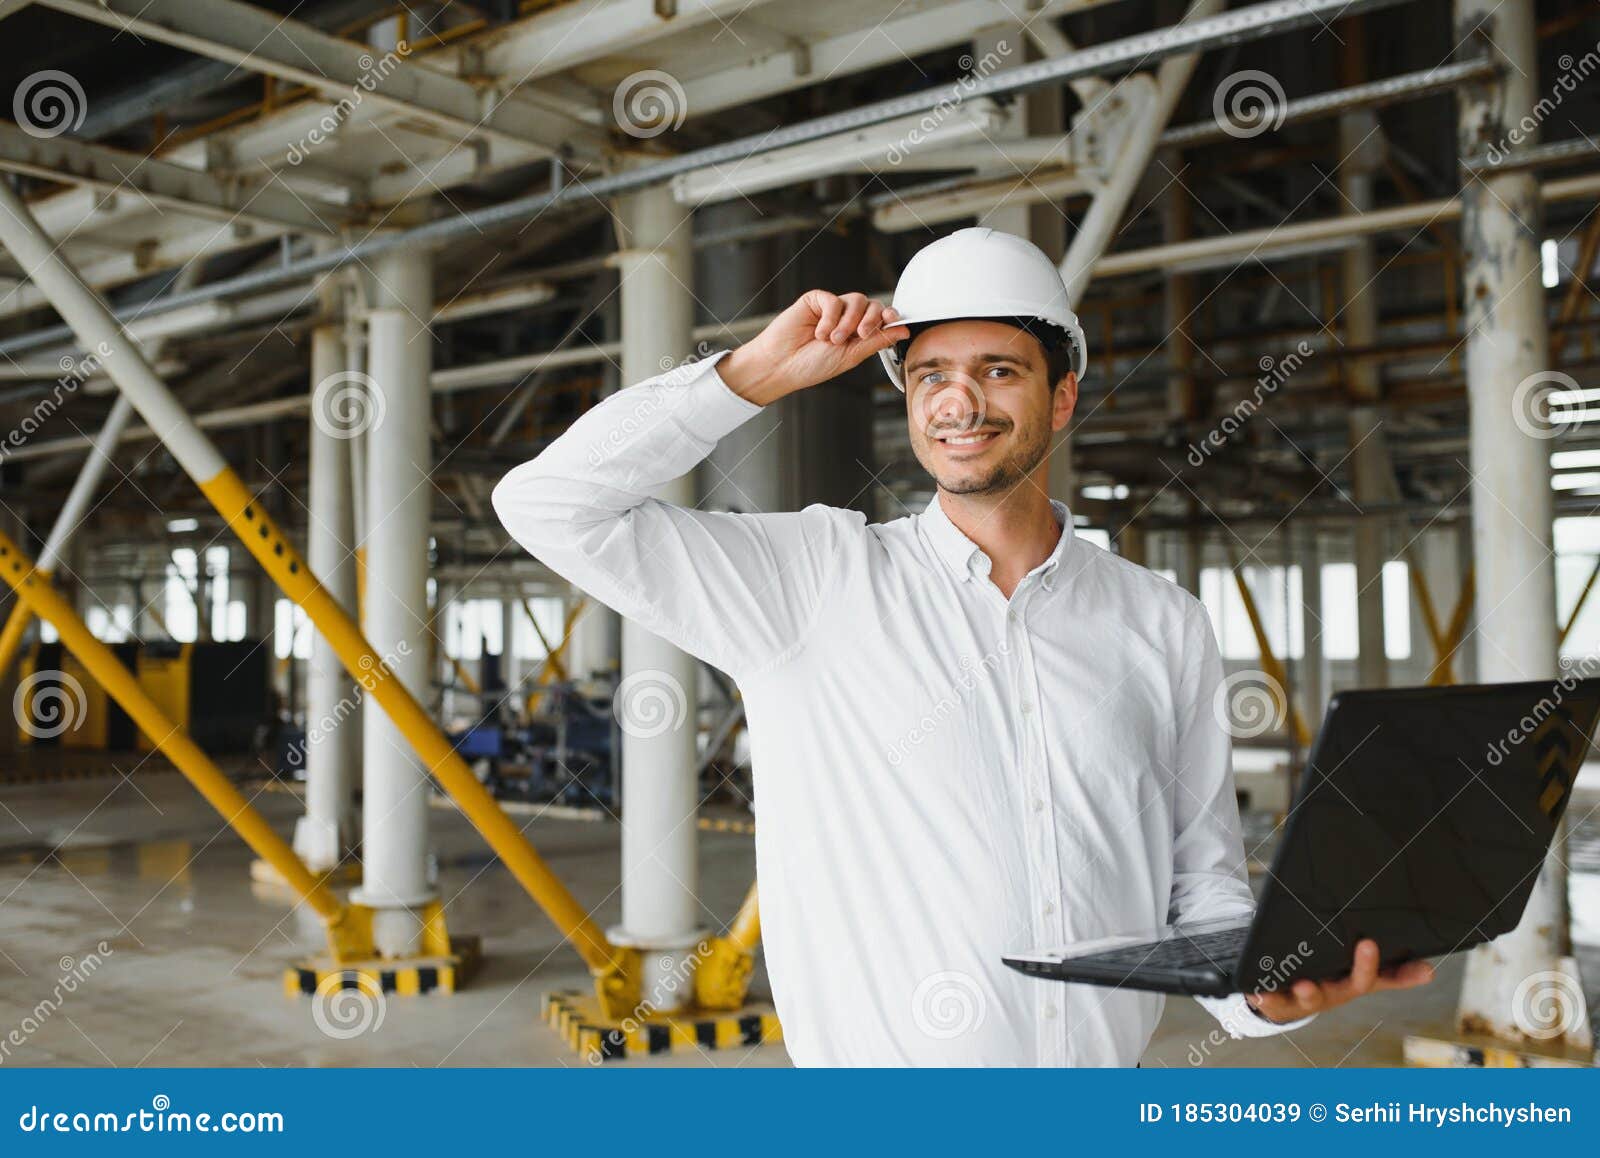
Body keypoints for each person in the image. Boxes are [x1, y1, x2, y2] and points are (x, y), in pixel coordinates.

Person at [493, 227, 1433, 1066]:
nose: (960, 402)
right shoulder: (812, 583)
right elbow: (547, 505)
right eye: (931, 374)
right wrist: (754, 374)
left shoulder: (1161, 622)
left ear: (1062, 399)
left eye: (998, 370)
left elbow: (1204, 885)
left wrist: (1260, 992)